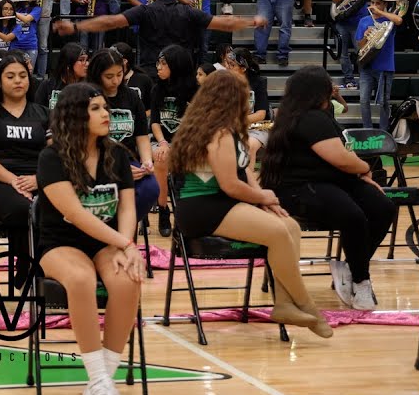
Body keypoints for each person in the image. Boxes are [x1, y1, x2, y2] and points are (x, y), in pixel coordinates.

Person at [169, 69, 334, 336]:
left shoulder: (232, 130)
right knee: (278, 233)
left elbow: (245, 175)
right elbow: (229, 185)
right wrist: (262, 197)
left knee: (288, 225)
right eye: (244, 96)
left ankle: (283, 304)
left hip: (224, 202)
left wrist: (267, 202)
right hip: (202, 206)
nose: (248, 102)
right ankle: (307, 304)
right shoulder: (217, 133)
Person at [37, 82, 141, 395]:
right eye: (95, 108)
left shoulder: (117, 155)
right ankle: (97, 379)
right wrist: (126, 242)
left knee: (128, 280)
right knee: (80, 279)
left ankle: (103, 381)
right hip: (59, 241)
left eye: (105, 108)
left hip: (107, 242)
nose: (105, 113)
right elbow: (75, 214)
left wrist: (126, 247)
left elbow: (127, 207)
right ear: (76, 115)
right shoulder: (51, 157)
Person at [260, 66, 394, 311]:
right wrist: (364, 168)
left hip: (333, 181)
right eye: (328, 86)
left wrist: (362, 176)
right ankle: (361, 279)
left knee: (382, 206)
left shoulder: (320, 114)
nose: (332, 91)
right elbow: (340, 158)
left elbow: (343, 155)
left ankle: (351, 267)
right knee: (352, 214)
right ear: (316, 92)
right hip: (298, 187)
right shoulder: (309, 118)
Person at [57, 0, 262, 70]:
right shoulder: (189, 12)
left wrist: (76, 26)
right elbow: (224, 24)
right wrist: (252, 21)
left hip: (151, 70)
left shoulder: (145, 10)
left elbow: (110, 22)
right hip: (182, 71)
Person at [0, 53, 47, 280]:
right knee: (27, 207)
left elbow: (57, 154)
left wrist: (38, 179)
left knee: (56, 205)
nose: (18, 81)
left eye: (23, 75)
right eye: (11, 76)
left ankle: (49, 271)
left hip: (37, 179)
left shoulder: (43, 114)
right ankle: (29, 269)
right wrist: (14, 180)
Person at [87, 49, 159, 221]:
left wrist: (147, 161)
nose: (116, 80)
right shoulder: (87, 95)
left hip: (128, 160)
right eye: (109, 76)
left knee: (150, 188)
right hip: (96, 161)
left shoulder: (132, 96)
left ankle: (126, 227)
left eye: (119, 74)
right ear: (97, 75)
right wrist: (120, 171)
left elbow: (141, 135)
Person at [150, 44, 197, 237]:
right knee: (161, 159)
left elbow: (197, 124)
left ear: (176, 66)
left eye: (163, 64)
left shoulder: (195, 90)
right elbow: (154, 123)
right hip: (161, 141)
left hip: (187, 141)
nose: (158, 68)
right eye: (158, 63)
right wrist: (163, 143)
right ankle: (163, 210)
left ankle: (185, 211)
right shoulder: (156, 89)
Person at [356, 0, 403, 131]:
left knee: (383, 102)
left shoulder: (389, 21)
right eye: (372, 3)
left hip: (385, 66)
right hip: (367, 66)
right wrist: (365, 36)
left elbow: (399, 20)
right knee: (364, 100)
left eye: (378, 3)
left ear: (384, 5)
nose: (374, 6)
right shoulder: (364, 21)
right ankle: (367, 130)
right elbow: (360, 46)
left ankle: (383, 131)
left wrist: (380, 13)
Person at [35, 42, 88, 110]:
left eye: (86, 60)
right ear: (68, 64)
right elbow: (38, 112)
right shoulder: (47, 85)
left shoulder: (89, 87)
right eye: (81, 60)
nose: (86, 64)